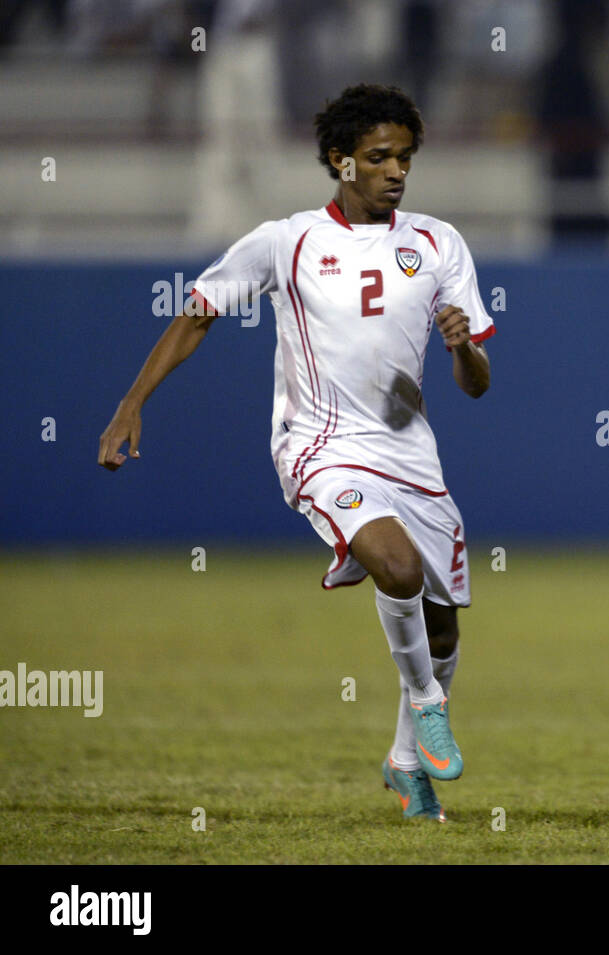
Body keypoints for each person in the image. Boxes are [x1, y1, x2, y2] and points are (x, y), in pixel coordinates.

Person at [97, 84, 495, 823]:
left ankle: (407, 762)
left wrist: (463, 346)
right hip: (319, 447)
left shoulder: (439, 244)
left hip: (410, 456)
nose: (396, 170)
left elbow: (476, 385)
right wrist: (133, 401)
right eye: (379, 157)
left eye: (405, 157)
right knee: (398, 566)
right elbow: (198, 314)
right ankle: (428, 704)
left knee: (442, 624)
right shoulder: (288, 241)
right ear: (342, 162)